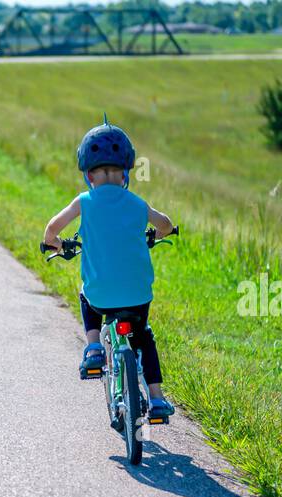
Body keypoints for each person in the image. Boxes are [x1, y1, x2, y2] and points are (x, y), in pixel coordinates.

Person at [41, 118, 176, 420]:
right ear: (126, 173)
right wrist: (160, 234)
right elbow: (165, 224)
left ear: (89, 174)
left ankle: (93, 349)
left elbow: (51, 228)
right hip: (138, 297)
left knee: (85, 293)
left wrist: (56, 244)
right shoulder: (138, 203)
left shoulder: (84, 201)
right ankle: (155, 399)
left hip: (101, 296)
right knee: (144, 337)